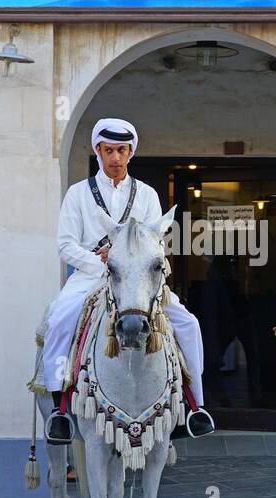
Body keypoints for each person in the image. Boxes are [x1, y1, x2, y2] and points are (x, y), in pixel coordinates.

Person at [40, 117, 214, 444]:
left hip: (138, 281)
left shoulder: (146, 194)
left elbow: (154, 242)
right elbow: (65, 244)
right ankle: (59, 407)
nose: (115, 158)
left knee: (188, 323)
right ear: (98, 151)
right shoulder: (78, 194)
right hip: (89, 278)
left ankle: (195, 404)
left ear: (130, 152)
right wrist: (99, 263)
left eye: (121, 150)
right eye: (109, 151)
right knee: (60, 320)